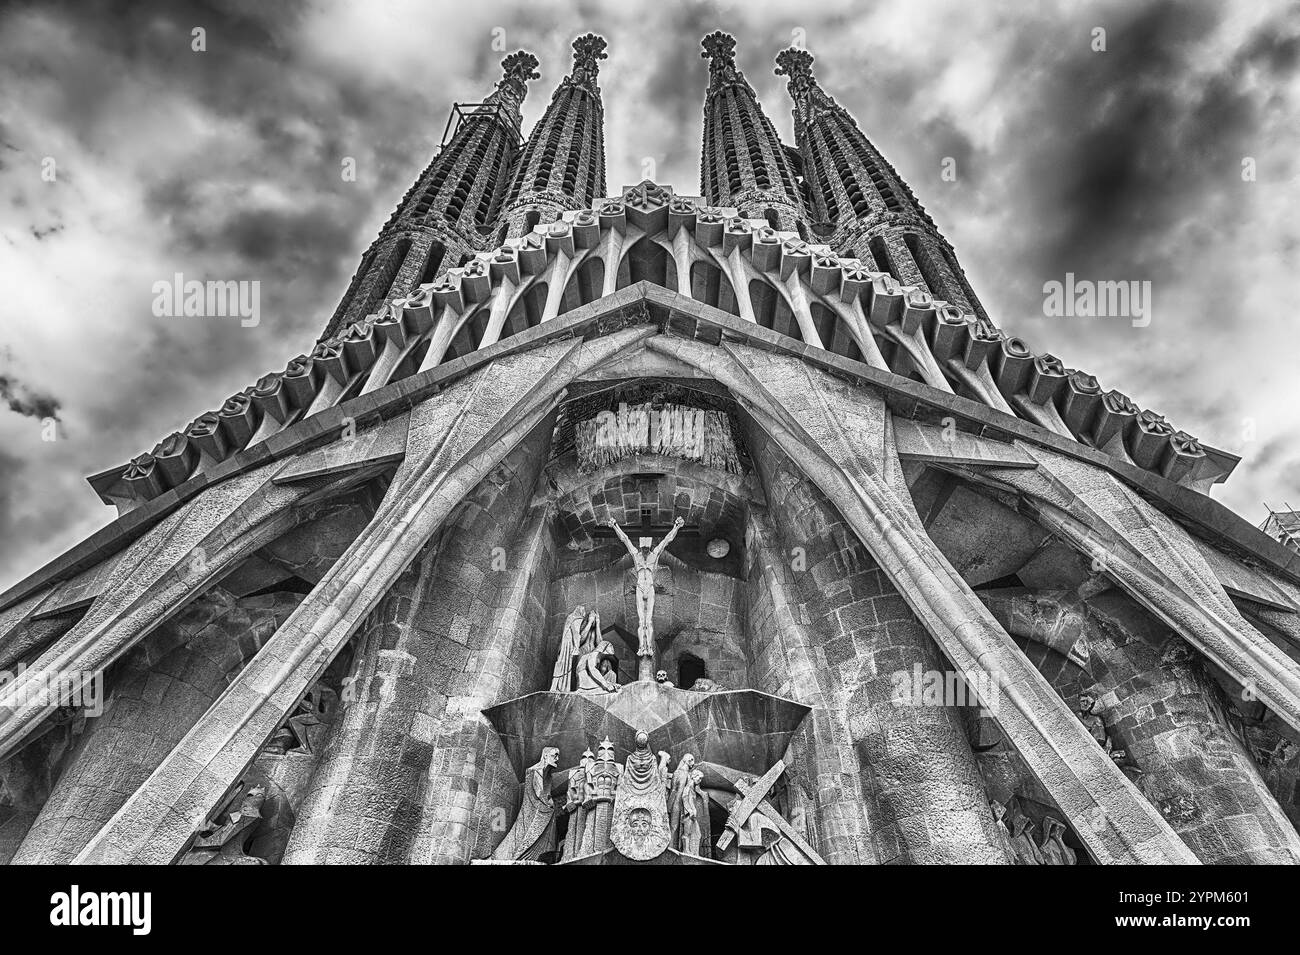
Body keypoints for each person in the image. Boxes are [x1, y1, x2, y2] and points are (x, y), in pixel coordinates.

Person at [604, 516, 685, 658]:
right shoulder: (636, 555)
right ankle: (642, 647)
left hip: (650, 588)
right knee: (642, 621)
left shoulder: (655, 555)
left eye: (647, 548)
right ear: (641, 546)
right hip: (640, 587)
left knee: (649, 621)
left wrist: (676, 527)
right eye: (644, 548)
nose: (646, 550)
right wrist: (615, 526)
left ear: (650, 546)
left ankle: (649, 648)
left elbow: (667, 540)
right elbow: (625, 539)